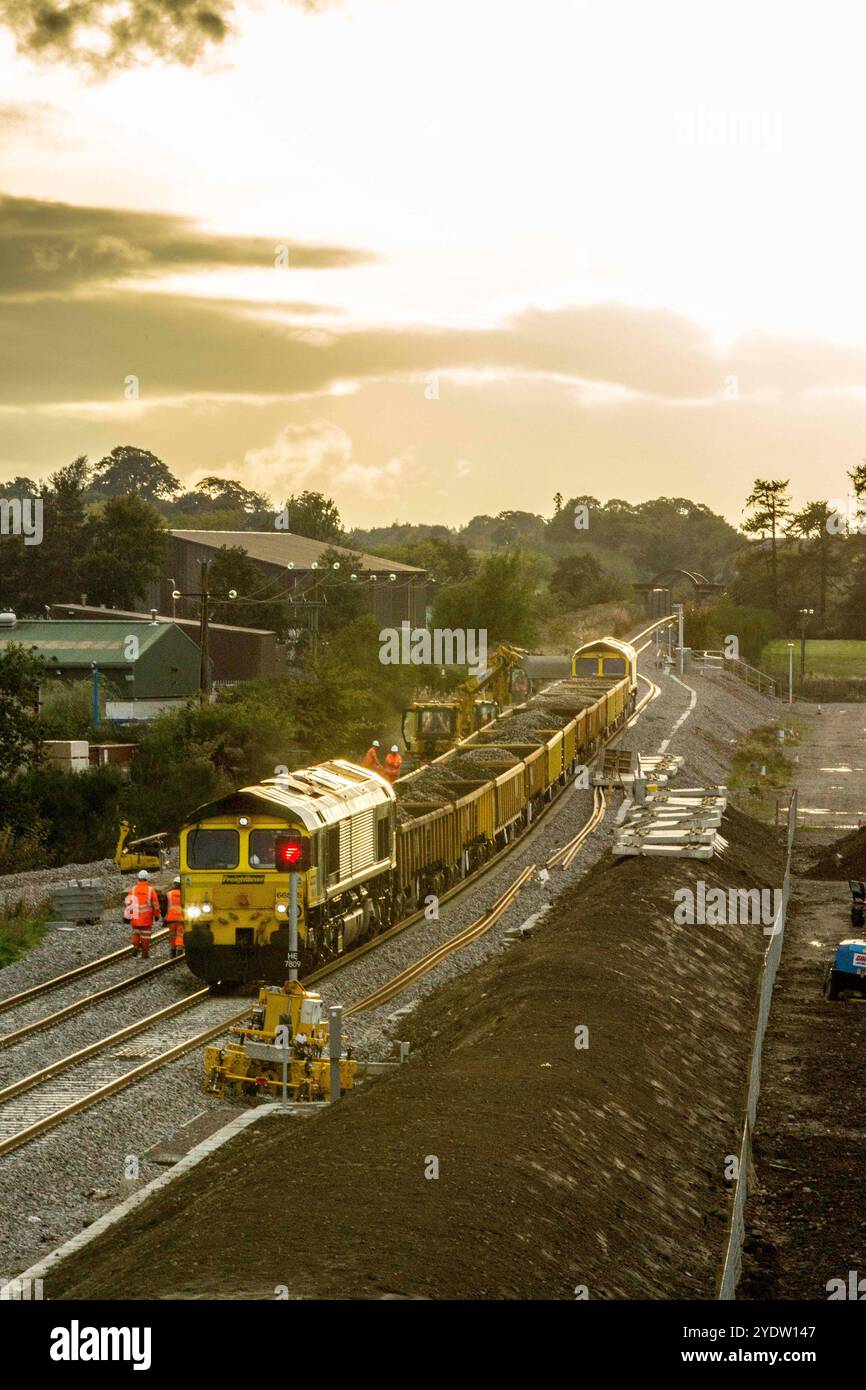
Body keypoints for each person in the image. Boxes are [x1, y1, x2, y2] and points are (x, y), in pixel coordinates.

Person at [129, 869, 161, 960]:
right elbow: (155, 904)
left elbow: (129, 904)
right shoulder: (150, 890)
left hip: (135, 918)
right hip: (146, 918)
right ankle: (144, 954)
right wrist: (157, 915)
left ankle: (135, 946)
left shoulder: (133, 889)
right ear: (147, 879)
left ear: (138, 878)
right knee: (145, 937)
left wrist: (129, 916)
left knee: (136, 933)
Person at [165, 875, 185, 958]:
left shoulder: (168, 894)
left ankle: (172, 951)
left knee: (172, 935)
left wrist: (164, 917)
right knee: (180, 934)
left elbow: (164, 907)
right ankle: (180, 948)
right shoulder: (184, 895)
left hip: (171, 919)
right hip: (181, 918)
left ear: (174, 884)